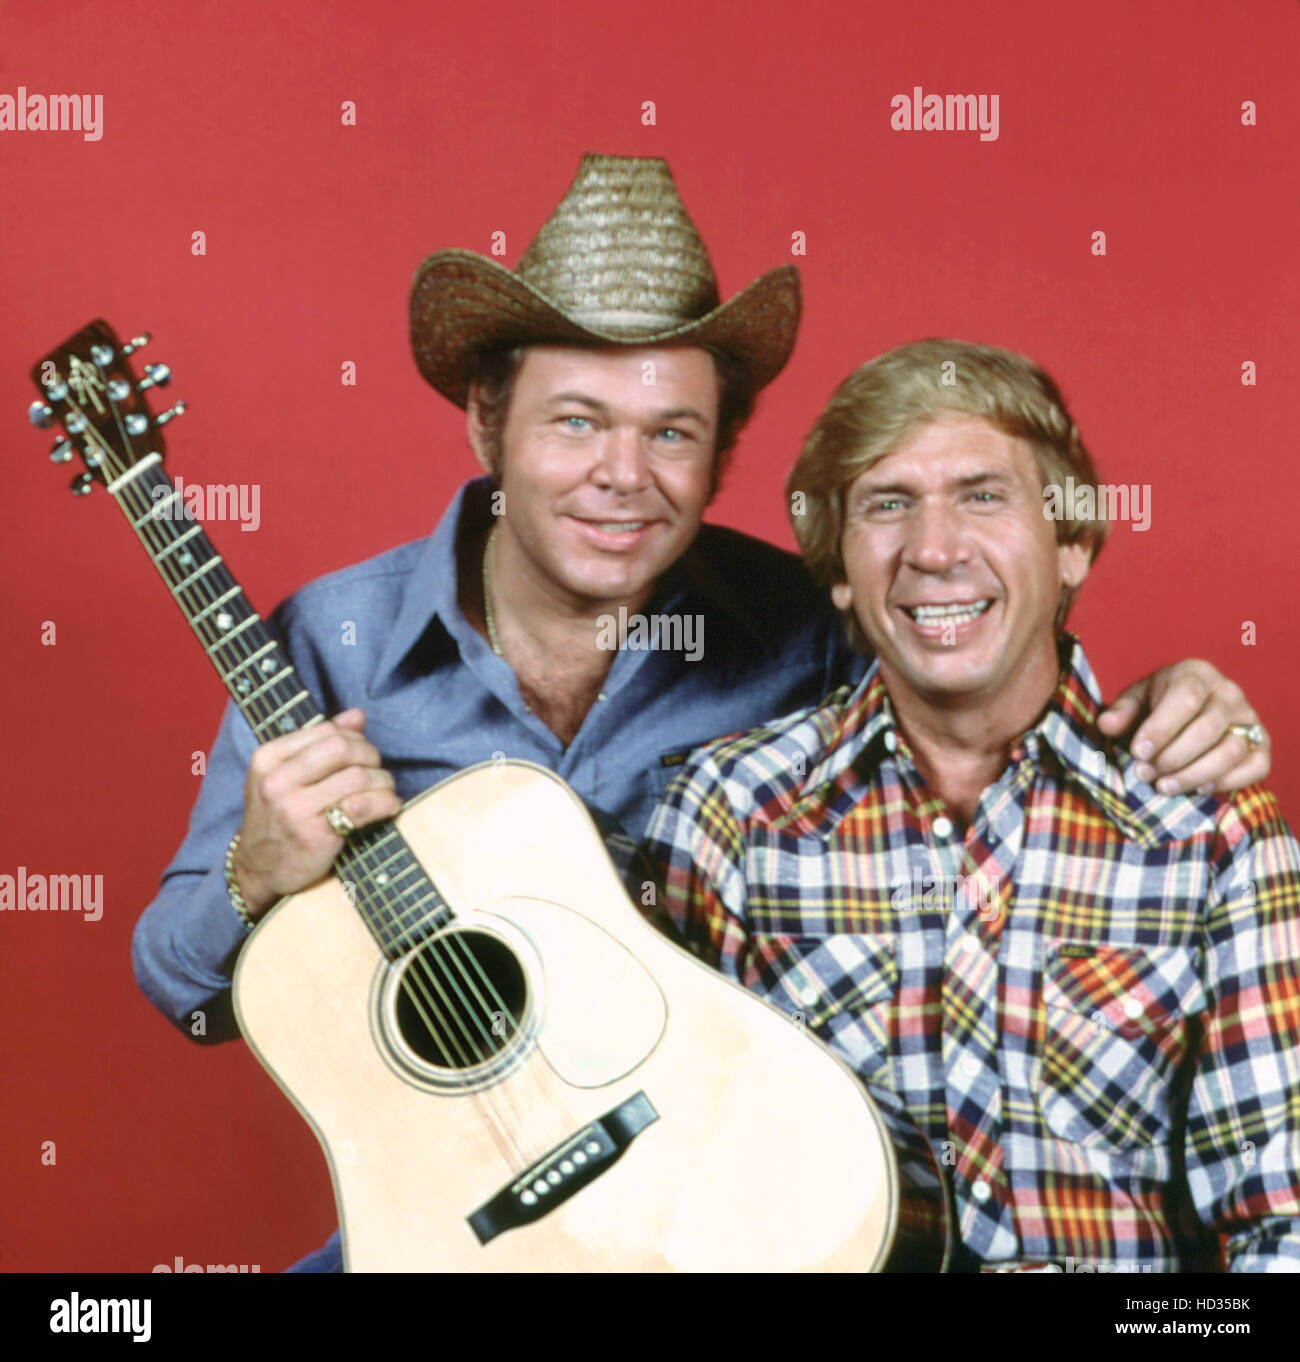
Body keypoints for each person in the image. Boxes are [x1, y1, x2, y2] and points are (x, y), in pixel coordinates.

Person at [132, 156, 1273, 1272]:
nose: (623, 475)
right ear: (489, 423)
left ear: (721, 449)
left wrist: (1167, 700)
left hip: (718, 1203)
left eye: (670, 432)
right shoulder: (335, 643)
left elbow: (982, 662)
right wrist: (255, 870)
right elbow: (183, 987)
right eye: (575, 422)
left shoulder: (804, 623)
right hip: (464, 1207)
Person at [643, 338, 1300, 1272]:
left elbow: (1284, 1228)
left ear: (1072, 545)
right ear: (838, 570)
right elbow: (649, 1198)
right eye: (887, 504)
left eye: (983, 495)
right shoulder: (732, 814)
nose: (935, 549)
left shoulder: (1211, 833)